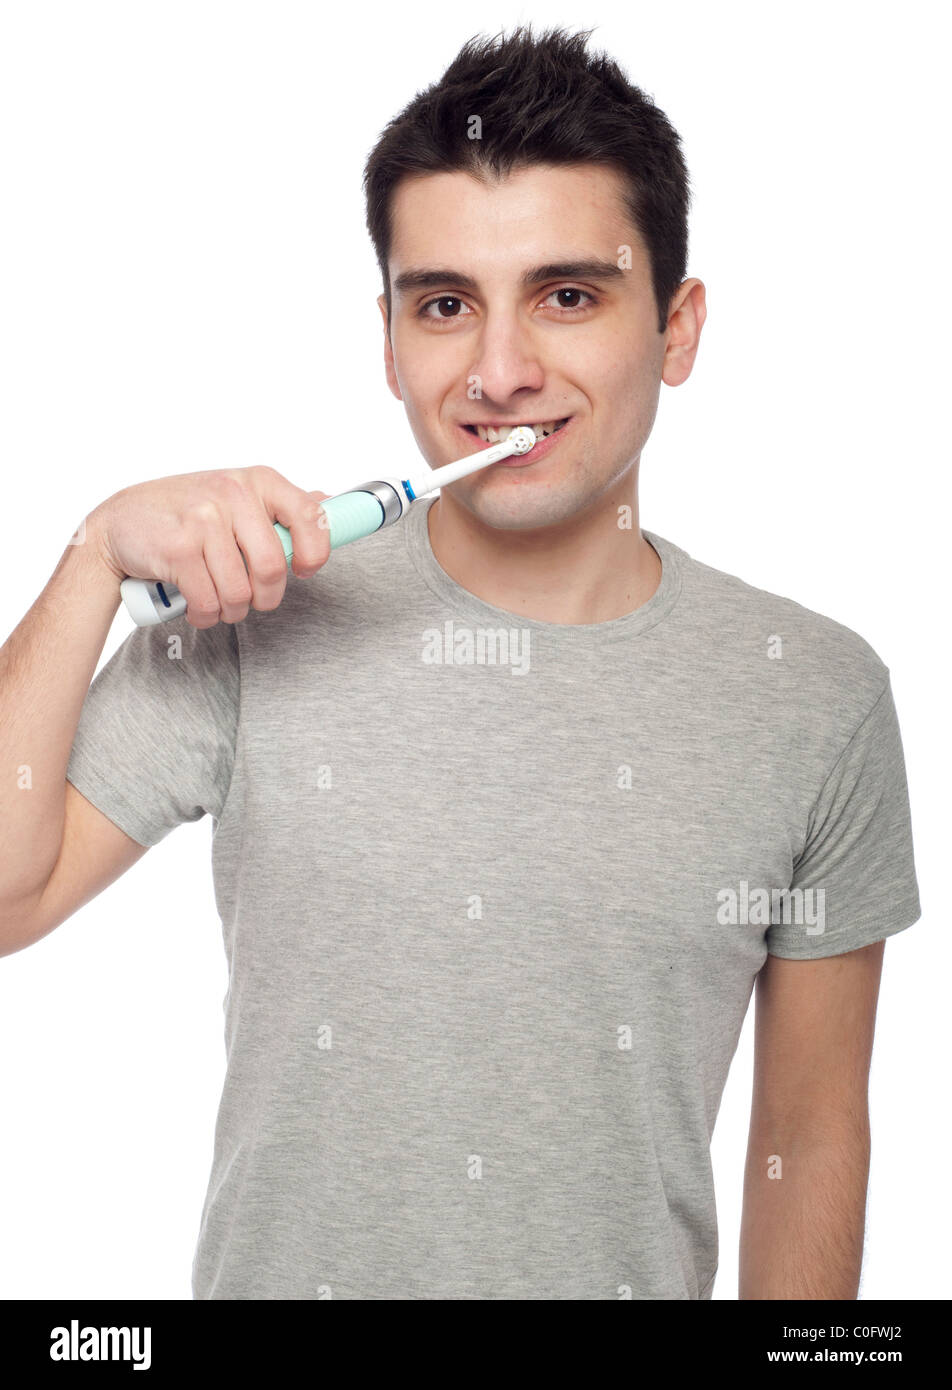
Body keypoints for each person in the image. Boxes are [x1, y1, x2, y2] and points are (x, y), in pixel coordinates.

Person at [0, 24, 920, 1301]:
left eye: (567, 296)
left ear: (677, 328)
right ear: (388, 341)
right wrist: (94, 553)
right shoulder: (254, 617)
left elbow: (809, 1134)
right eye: (444, 305)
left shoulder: (815, 695)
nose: (499, 374)